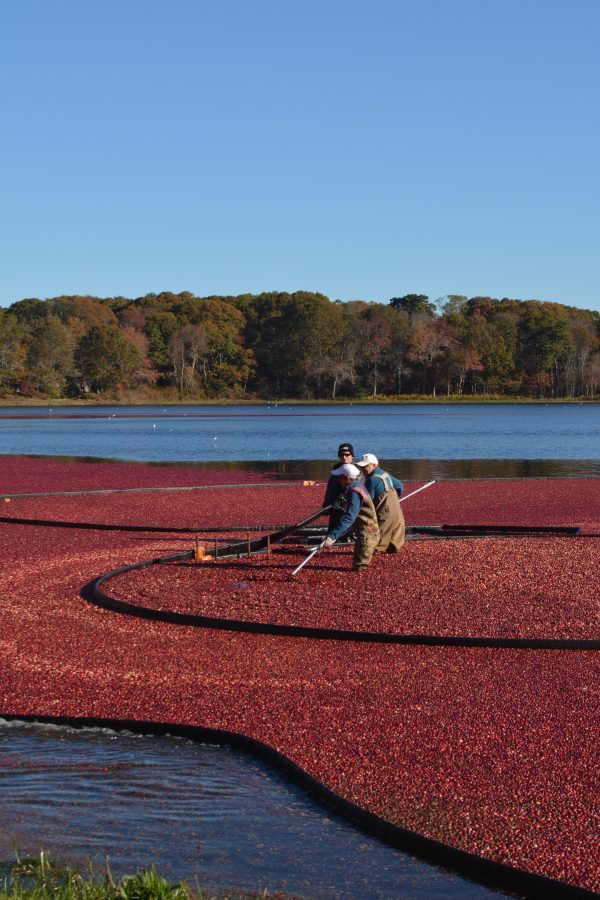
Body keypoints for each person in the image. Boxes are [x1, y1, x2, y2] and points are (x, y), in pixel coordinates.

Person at [321, 463, 380, 570]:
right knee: (357, 566)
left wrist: (332, 536)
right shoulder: (355, 485)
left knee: (360, 568)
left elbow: (350, 517)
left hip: (367, 534)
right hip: (362, 532)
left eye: (339, 478)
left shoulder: (354, 492)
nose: (338, 480)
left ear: (348, 478)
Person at [355, 453, 405, 553]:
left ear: (374, 465)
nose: (363, 469)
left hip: (385, 513)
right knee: (395, 538)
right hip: (397, 511)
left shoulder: (371, 480)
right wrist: (394, 499)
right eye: (362, 467)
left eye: (366, 466)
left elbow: (369, 501)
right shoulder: (384, 474)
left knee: (378, 542)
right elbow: (399, 485)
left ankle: (377, 551)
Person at [322, 442, 355, 537]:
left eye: (347, 455)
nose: (344, 457)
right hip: (334, 508)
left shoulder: (355, 471)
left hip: (347, 509)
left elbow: (352, 489)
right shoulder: (336, 469)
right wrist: (327, 503)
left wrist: (340, 501)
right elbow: (330, 488)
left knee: (345, 531)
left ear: (352, 455)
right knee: (332, 529)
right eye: (341, 455)